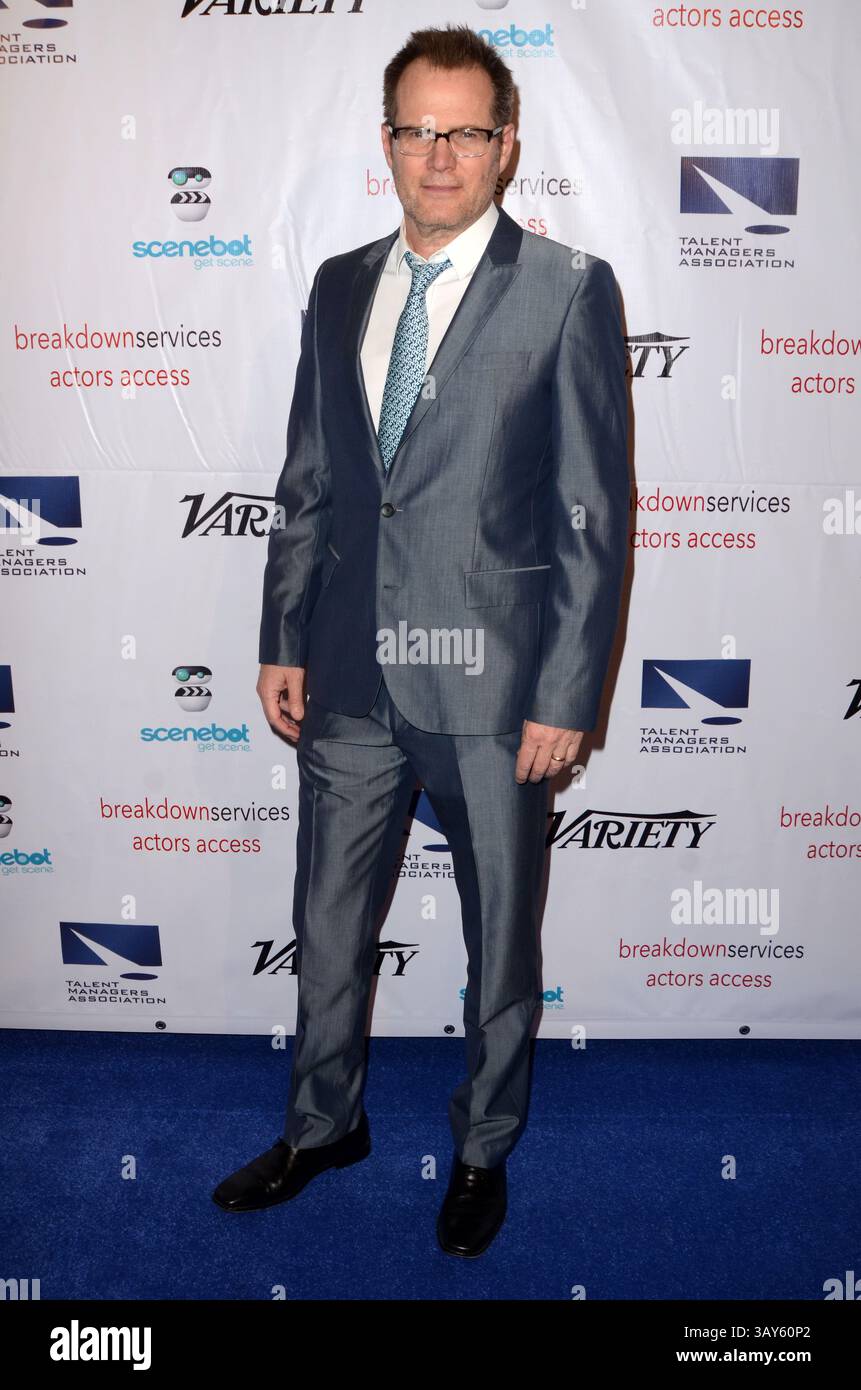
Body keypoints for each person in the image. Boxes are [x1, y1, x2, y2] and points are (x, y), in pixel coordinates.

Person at [212, 23, 629, 1259]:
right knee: (328, 926)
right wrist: (284, 631)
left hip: (497, 688)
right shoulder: (341, 283)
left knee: (500, 941)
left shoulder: (568, 289)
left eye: (465, 131)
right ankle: (321, 1124)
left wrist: (566, 692)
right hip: (347, 669)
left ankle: (483, 1147)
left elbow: (592, 513)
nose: (438, 155)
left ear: (506, 148)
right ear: (386, 141)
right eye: (416, 129)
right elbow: (310, 478)